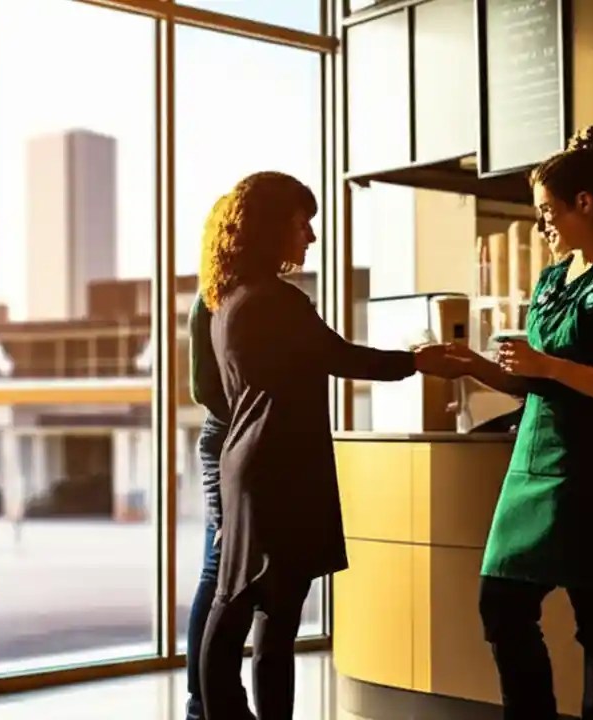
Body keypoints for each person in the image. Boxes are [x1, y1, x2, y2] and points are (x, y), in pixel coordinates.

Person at [197, 171, 467, 720]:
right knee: (273, 619)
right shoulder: (277, 300)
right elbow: (346, 359)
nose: (311, 238)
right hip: (284, 469)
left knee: (233, 603)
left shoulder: (227, 299)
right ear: (274, 228)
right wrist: (420, 361)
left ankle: (220, 711)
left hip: (249, 462)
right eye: (303, 225)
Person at [447, 127, 593, 720]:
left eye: (547, 211)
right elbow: (534, 382)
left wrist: (550, 364)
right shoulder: (549, 282)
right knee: (500, 605)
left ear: (586, 203)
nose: (543, 223)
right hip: (532, 465)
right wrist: (472, 365)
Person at [184, 194, 235, 720]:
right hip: (225, 440)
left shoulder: (253, 296)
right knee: (218, 569)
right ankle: (201, 703)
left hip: (241, 438)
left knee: (227, 573)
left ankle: (213, 699)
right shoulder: (212, 300)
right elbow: (205, 389)